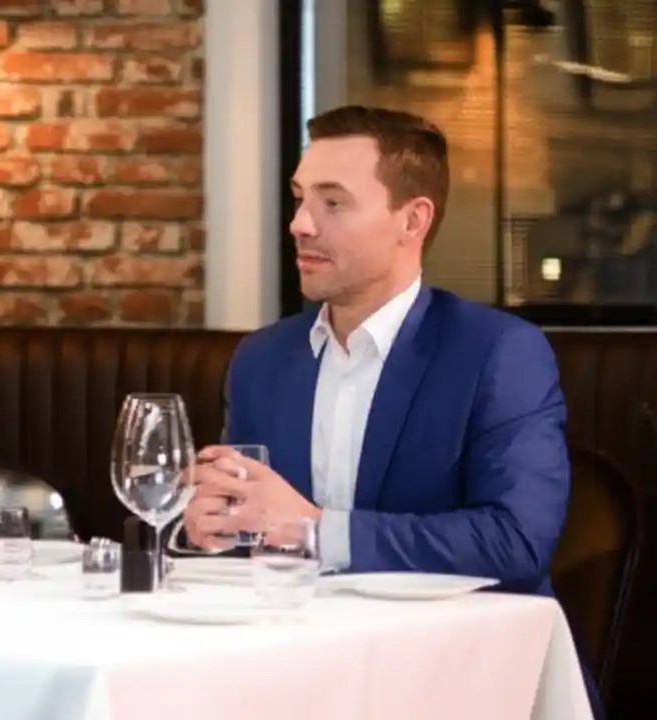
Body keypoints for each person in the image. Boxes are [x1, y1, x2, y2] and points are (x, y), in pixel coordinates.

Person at [183, 105, 570, 593]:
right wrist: (218, 529)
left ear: (412, 220)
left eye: (334, 203)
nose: (300, 224)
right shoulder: (262, 360)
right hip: (296, 647)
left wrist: (316, 531)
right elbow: (256, 535)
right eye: (300, 199)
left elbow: (516, 543)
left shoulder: (498, 354)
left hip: (453, 654)